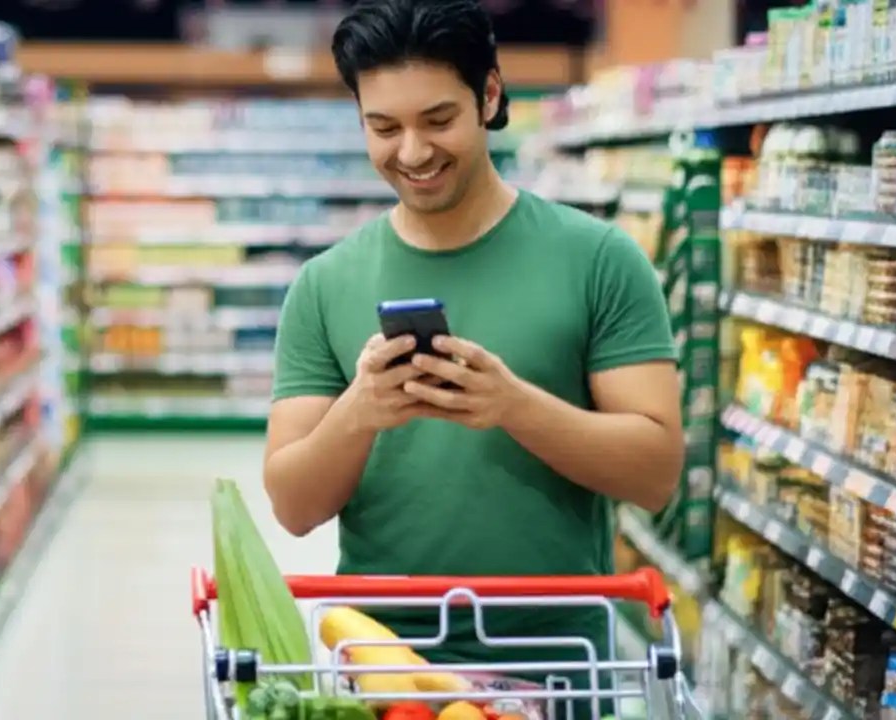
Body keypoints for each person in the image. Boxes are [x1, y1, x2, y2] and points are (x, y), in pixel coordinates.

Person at [262, 0, 684, 714]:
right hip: (386, 666)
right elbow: (294, 506)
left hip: (558, 665)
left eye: (438, 120)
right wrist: (358, 414)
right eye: (384, 127)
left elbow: (655, 473)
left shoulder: (600, 261)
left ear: (489, 95)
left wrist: (514, 406)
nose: (414, 153)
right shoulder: (324, 285)